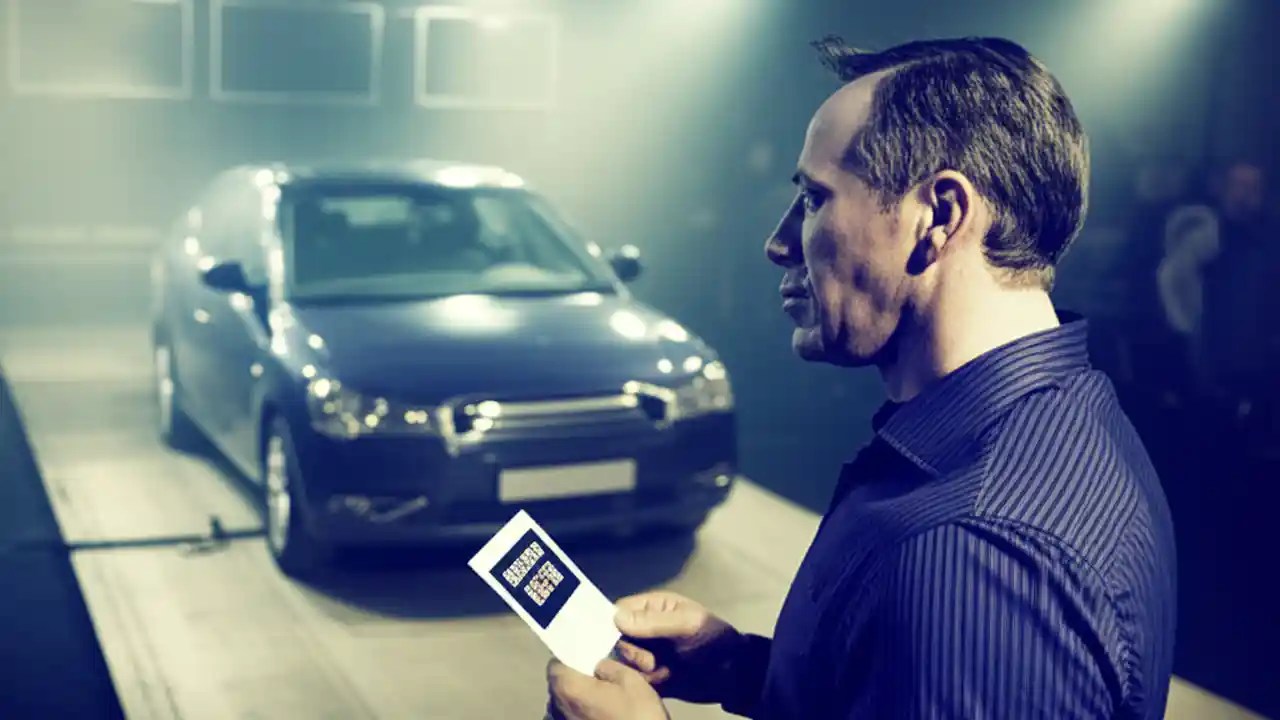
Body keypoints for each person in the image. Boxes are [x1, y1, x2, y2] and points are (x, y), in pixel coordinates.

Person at [546, 36, 1177, 719]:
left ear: (938, 216)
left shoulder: (969, 550)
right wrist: (741, 668)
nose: (779, 241)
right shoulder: (1064, 418)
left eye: (815, 199)